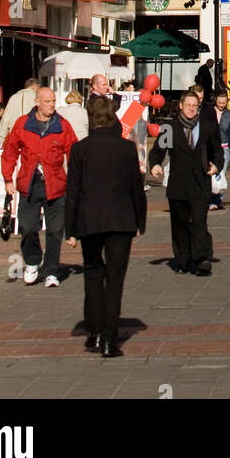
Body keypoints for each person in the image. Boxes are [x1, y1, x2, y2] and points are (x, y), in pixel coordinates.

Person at [64, 95, 146, 358]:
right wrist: (139, 221)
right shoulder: (125, 149)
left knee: (92, 274)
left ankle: (95, 333)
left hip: (89, 220)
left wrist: (70, 229)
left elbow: (73, 191)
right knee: (115, 278)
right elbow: (136, 187)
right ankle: (110, 340)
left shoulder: (80, 149)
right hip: (121, 220)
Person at [1, 86, 77, 288]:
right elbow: (9, 152)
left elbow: (74, 153)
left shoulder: (62, 125)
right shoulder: (23, 124)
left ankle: (51, 271)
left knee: (54, 230)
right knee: (27, 226)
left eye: (53, 101)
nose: (52, 104)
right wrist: (8, 179)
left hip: (56, 185)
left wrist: (77, 180)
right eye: (47, 101)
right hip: (29, 184)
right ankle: (33, 262)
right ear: (37, 102)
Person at [149, 90, 222, 276]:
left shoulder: (208, 126)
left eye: (194, 105)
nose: (191, 108)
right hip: (178, 185)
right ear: (181, 106)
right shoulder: (170, 127)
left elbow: (217, 151)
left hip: (200, 183)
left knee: (199, 222)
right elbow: (158, 150)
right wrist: (155, 164)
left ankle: (202, 259)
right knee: (180, 225)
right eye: (188, 105)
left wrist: (217, 166)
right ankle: (182, 260)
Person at [211, 89, 230, 210]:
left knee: (220, 173)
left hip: (224, 148)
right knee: (211, 174)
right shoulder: (209, 112)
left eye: (224, 102)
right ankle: (212, 199)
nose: (222, 105)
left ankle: (217, 200)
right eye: (219, 102)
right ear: (215, 100)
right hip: (211, 147)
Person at [0, 78, 38, 147]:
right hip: (32, 137)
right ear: (35, 87)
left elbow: (5, 119)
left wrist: (1, 139)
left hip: (15, 137)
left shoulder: (13, 97)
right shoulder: (37, 97)